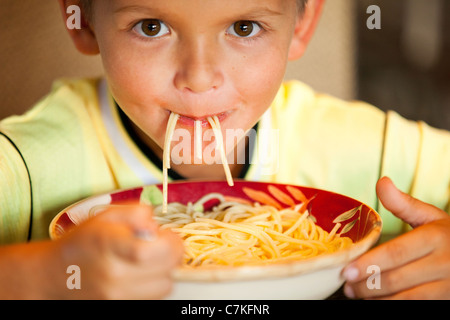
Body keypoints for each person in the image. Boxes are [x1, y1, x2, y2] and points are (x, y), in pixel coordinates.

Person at [0, 0, 449, 300]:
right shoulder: (23, 165)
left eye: (243, 27)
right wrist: (43, 276)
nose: (199, 77)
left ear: (303, 22)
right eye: (151, 27)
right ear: (82, 20)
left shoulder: (361, 147)